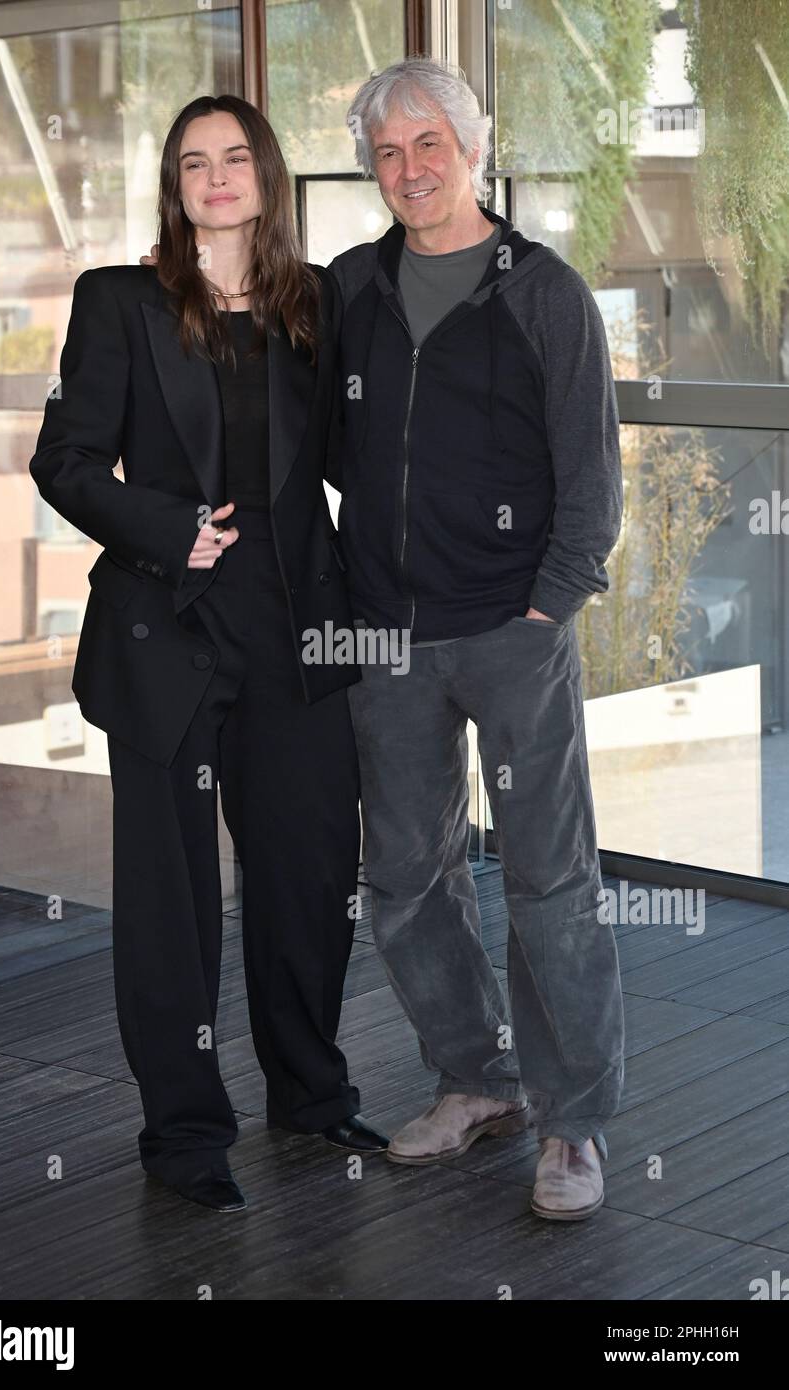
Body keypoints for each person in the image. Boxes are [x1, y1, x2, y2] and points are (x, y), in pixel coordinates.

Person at [30, 94, 387, 1214]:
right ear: (174, 184)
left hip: (295, 633)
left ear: (265, 176)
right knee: (172, 901)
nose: (216, 176)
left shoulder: (314, 302)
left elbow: (350, 452)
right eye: (194, 162)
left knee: (309, 874)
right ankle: (184, 1132)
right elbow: (66, 461)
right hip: (168, 638)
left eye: (235, 157)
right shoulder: (121, 302)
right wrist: (164, 527)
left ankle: (310, 1092)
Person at [327, 57, 625, 1221]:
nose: (408, 169)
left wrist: (547, 603)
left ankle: (574, 1125)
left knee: (551, 884)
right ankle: (474, 1081)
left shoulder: (541, 290)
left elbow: (589, 479)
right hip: (389, 639)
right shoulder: (352, 285)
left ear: (470, 145)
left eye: (426, 144)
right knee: (404, 878)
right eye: (386, 152)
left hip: (511, 631)